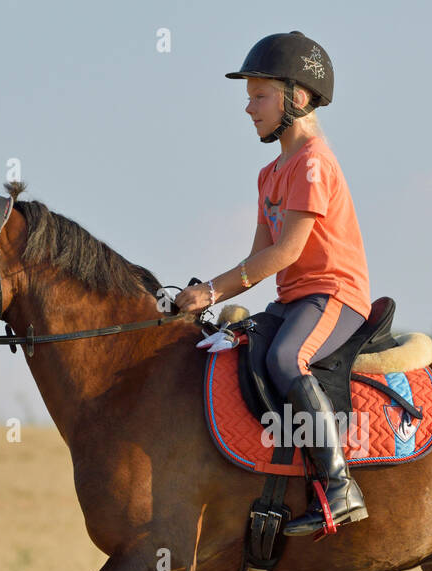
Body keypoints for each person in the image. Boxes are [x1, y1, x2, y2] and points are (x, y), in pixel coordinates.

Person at [174, 31, 371, 536]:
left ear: (297, 98)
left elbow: (287, 252)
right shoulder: (270, 173)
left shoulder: (312, 163)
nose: (248, 109)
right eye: (248, 98)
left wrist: (213, 291)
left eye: (259, 96)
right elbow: (259, 256)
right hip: (294, 299)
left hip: (335, 294)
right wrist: (209, 295)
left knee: (287, 359)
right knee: (239, 349)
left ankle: (340, 484)